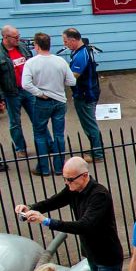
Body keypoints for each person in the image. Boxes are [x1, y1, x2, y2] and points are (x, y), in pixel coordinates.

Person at [22, 32, 74, 176]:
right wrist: (58, 83)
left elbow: (25, 84)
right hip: (59, 100)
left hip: (42, 101)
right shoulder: (60, 61)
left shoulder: (31, 62)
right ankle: (59, 167)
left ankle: (43, 168)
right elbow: (72, 81)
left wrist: (39, 93)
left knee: (39, 134)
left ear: (36, 46)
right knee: (59, 134)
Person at [62, 28, 103, 163]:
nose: (65, 44)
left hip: (85, 94)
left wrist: (60, 76)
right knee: (90, 122)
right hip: (88, 92)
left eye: (66, 41)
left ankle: (97, 153)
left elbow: (74, 77)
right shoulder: (82, 51)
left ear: (73, 40)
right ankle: (97, 148)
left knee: (89, 124)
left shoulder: (81, 55)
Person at [1, 24, 35, 160]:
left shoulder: (22, 47)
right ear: (5, 37)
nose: (18, 39)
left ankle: (47, 144)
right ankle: (20, 148)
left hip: (27, 89)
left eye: (18, 36)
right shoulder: (1, 53)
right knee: (15, 122)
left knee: (37, 117)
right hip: (11, 93)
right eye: (15, 37)